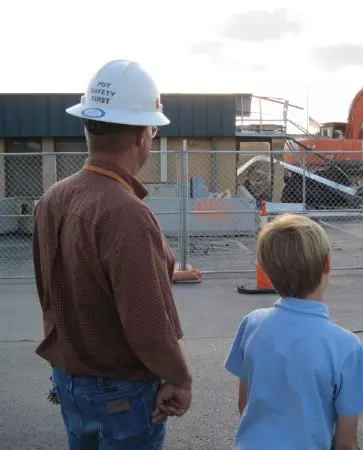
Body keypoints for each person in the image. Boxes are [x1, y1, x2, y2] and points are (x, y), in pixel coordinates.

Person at [32, 59, 192, 450]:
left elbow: (48, 295)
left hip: (69, 383)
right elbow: (151, 333)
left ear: (88, 125)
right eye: (153, 128)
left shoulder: (52, 199)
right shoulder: (126, 213)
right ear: (141, 135)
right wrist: (181, 379)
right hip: (121, 395)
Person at [224, 214, 363, 450]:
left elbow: (245, 403)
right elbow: (346, 443)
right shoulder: (346, 347)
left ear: (266, 269)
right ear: (326, 263)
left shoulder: (252, 324)